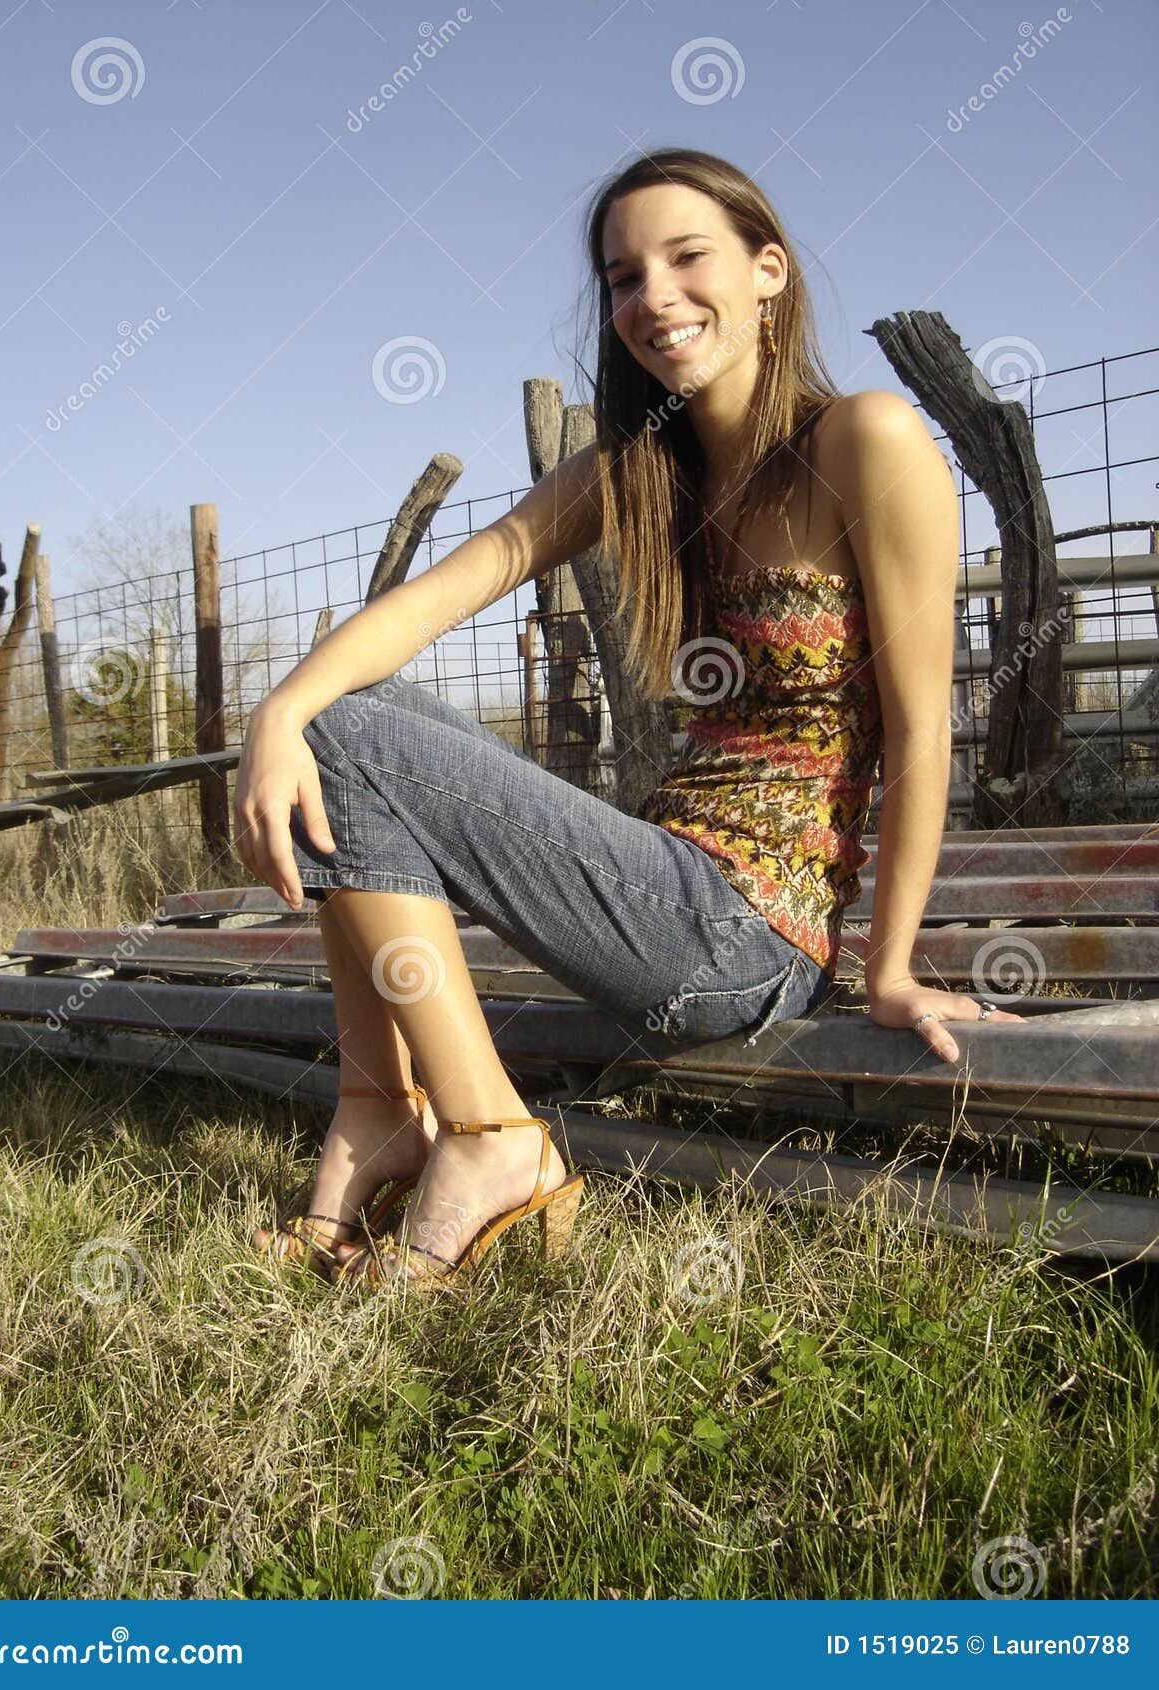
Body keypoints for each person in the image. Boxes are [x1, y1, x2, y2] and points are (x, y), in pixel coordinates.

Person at [233, 147, 1022, 1290]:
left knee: (348, 734)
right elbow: (436, 596)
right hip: (666, 881)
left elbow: (921, 728)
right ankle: (378, 1108)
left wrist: (889, 965)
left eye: (685, 256)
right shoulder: (642, 468)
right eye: (620, 276)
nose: (651, 296)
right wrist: (277, 712)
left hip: (748, 934)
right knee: (342, 713)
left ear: (768, 271)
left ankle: (492, 1141)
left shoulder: (867, 439)